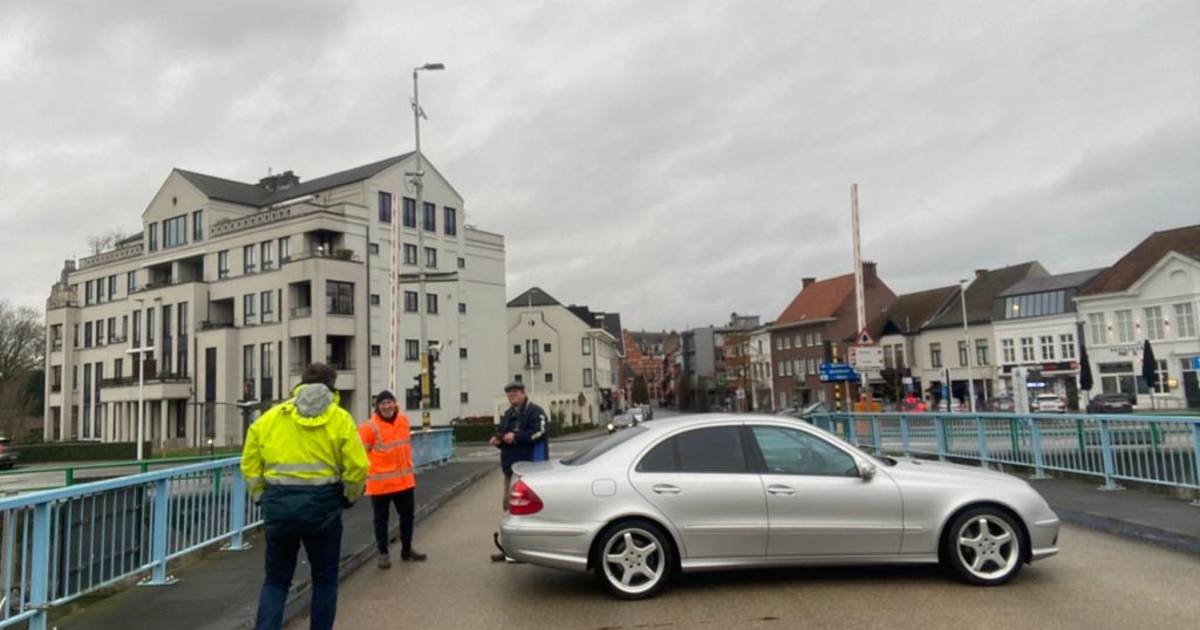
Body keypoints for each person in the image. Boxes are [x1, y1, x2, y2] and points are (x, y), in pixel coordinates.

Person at [241, 363, 369, 630]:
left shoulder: (271, 418)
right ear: (332, 386)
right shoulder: (340, 419)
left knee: (276, 580)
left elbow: (250, 462)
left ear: (300, 384)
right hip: (324, 510)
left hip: (279, 507)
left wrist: (260, 496)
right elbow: (358, 466)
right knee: (324, 580)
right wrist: (349, 496)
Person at [360, 390, 427, 568]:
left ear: (395, 404)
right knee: (381, 521)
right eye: (383, 403)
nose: (387, 406)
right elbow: (360, 453)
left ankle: (407, 550)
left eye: (389, 402)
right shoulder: (369, 427)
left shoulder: (403, 420)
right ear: (378, 406)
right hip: (380, 484)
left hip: (404, 482)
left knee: (407, 518)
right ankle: (383, 553)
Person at [489, 381, 547, 561]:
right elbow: (504, 436)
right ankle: (511, 550)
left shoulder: (535, 412)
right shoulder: (508, 414)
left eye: (515, 392)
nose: (511, 395)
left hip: (529, 470)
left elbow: (540, 433)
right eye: (509, 393)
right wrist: (498, 441)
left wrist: (516, 437)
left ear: (523, 393)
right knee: (510, 510)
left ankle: (530, 550)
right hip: (510, 470)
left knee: (528, 513)